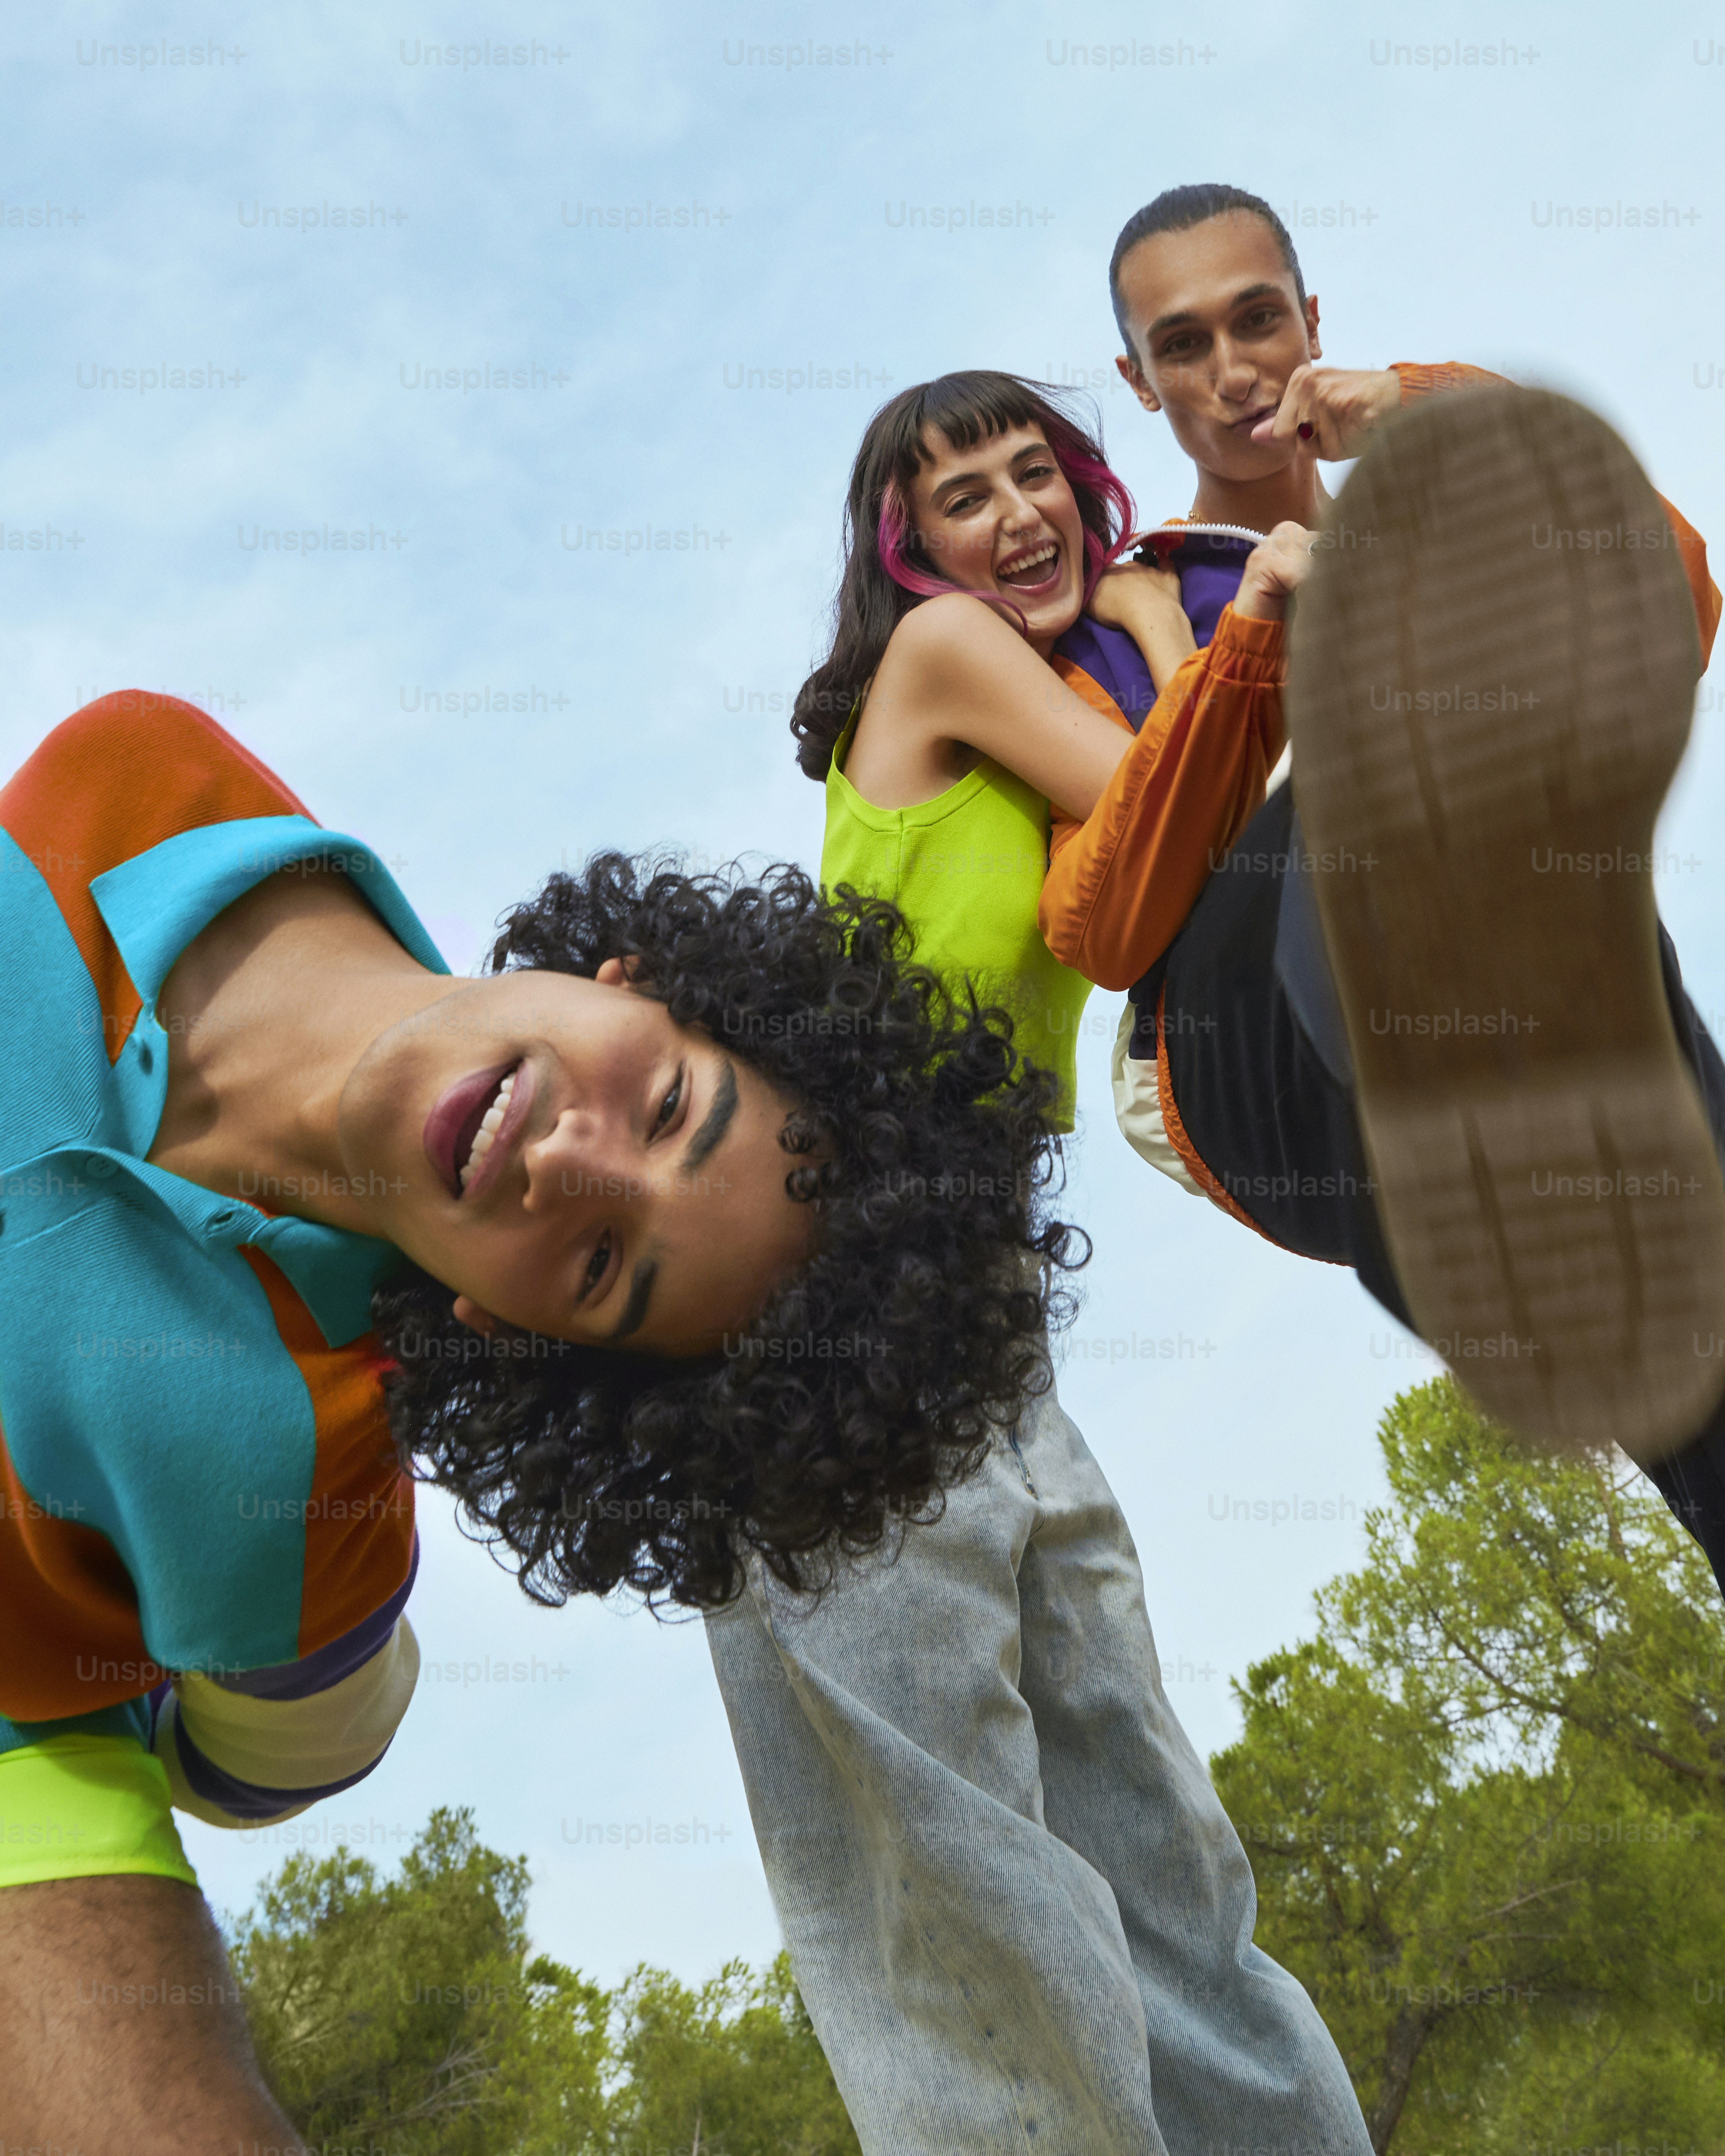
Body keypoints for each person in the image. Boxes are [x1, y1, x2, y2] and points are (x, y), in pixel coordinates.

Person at [0, 688, 1077, 2152]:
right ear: (640, 981)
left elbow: (261, 1763)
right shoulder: (148, 774)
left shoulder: (295, 1484)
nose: (571, 1167)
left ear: (512, 1330)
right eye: (673, 1107)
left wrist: (187, 1661)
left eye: (602, 1268)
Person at [704, 373, 1379, 2153]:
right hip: (816, 1272)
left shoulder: (1035, 699)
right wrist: (1163, 617)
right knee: (963, 1888)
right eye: (963, 499)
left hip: (979, 1285)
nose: (1019, 517)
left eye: (1039, 475)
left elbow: (1181, 849)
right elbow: (1164, 807)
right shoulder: (945, 662)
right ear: (906, 557)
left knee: (1153, 1848)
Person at [1039, 184, 1725, 1577]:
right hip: (1245, 1048)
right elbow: (1100, 924)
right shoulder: (1116, 620)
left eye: (1256, 321)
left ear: (1312, 322)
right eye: (1182, 346)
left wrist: (1422, 407)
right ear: (1139, 380)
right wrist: (1248, 642)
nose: (1232, 371)